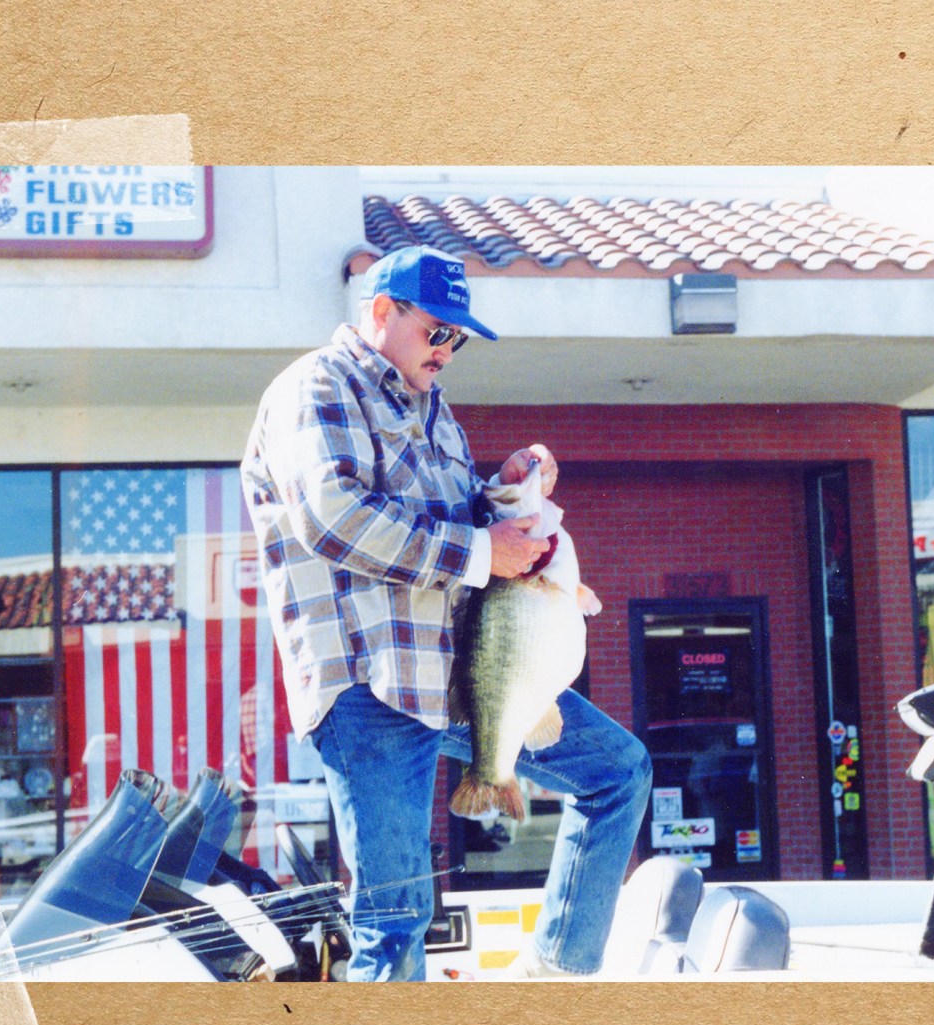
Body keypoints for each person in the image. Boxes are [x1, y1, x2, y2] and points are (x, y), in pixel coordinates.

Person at [240, 245, 652, 981]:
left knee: (618, 772)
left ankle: (554, 974)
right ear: (380, 313)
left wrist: (503, 489)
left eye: (457, 338)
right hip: (368, 687)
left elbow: (458, 523)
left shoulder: (434, 410)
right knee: (394, 923)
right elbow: (332, 519)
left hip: (457, 678)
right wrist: (478, 551)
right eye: (437, 331)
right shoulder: (315, 386)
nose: (448, 351)